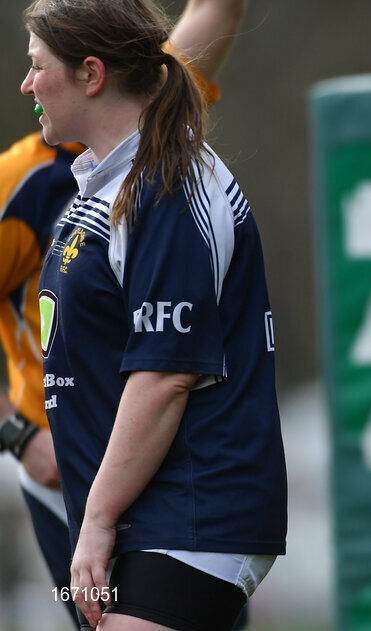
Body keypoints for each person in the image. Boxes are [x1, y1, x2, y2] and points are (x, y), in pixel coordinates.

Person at [21, 0, 286, 628]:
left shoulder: (167, 185)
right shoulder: (107, 183)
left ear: (92, 74)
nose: (27, 84)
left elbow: (166, 377)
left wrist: (97, 523)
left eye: (37, 66)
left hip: (189, 513)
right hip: (142, 517)